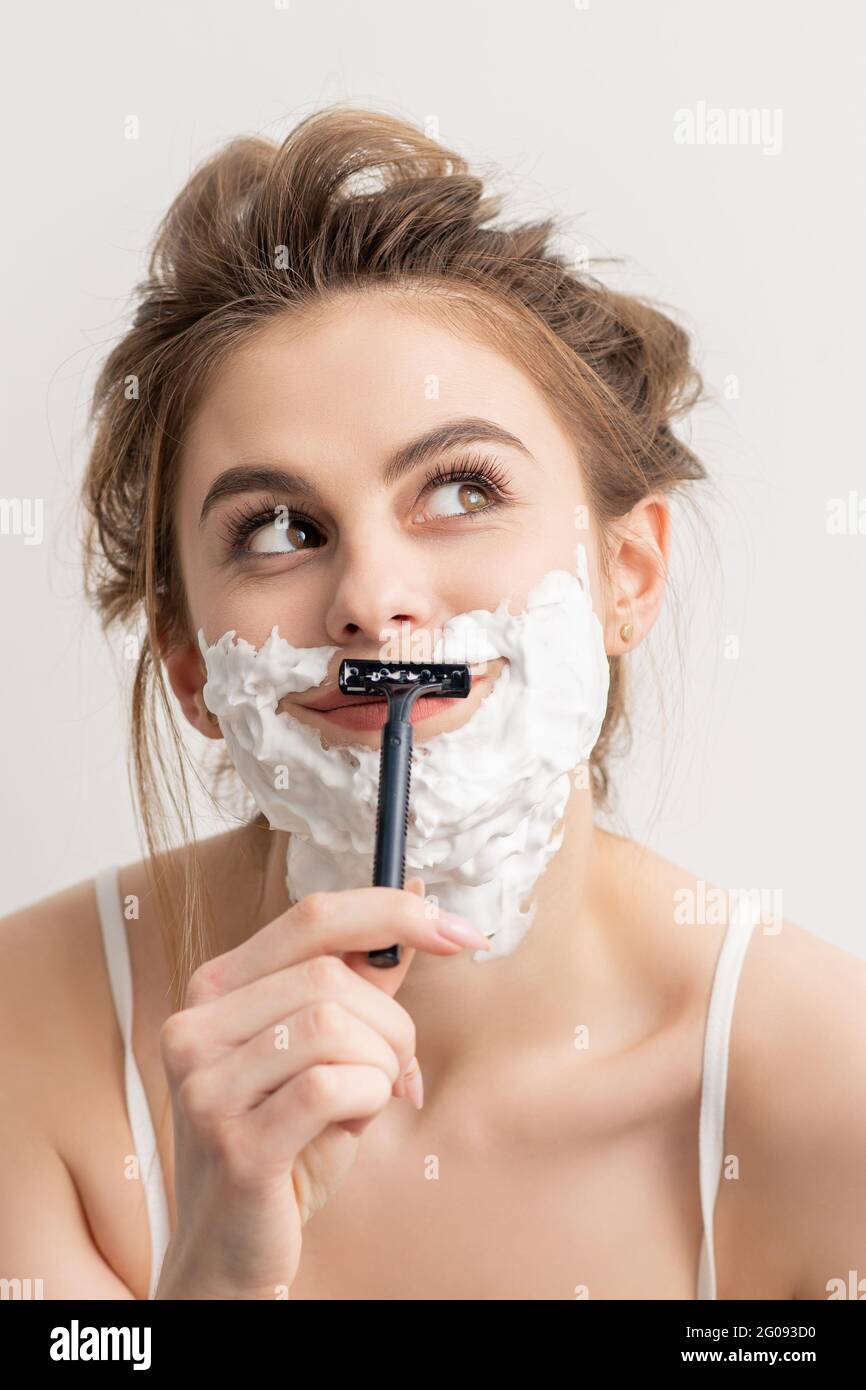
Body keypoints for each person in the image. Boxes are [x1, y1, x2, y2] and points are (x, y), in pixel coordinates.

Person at [2, 105, 864, 1302]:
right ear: (193, 663)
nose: (370, 601)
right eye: (280, 529)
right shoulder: (21, 1040)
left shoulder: (832, 1095)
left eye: (460, 489)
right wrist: (210, 1277)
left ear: (628, 576)